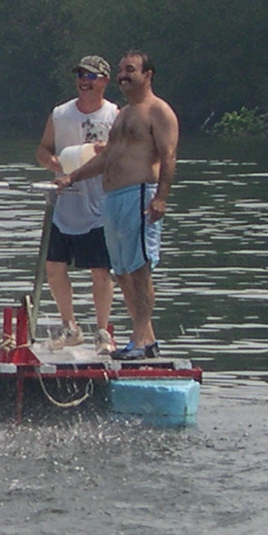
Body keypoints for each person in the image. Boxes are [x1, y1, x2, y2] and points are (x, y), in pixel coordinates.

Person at [55, 49, 178, 361]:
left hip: (140, 195)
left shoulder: (158, 111)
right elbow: (108, 156)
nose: (124, 75)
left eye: (130, 70)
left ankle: (138, 342)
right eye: (121, 70)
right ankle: (146, 340)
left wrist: (161, 197)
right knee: (121, 272)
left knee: (140, 270)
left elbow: (169, 156)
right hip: (113, 199)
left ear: (147, 75)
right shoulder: (123, 114)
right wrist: (74, 177)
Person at [35, 56, 121, 350]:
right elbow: (43, 150)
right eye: (81, 75)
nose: (85, 81)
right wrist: (53, 162)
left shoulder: (114, 115)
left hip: (99, 204)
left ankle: (102, 330)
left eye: (92, 76)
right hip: (65, 204)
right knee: (54, 266)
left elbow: (122, 155)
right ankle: (69, 325)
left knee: (100, 270)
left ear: (104, 81)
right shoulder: (60, 114)